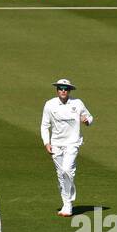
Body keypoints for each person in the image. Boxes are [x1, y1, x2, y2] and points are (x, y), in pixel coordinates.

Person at [40, 79, 94, 217]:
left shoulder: (77, 103)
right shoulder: (50, 105)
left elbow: (90, 117)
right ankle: (66, 203)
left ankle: (68, 204)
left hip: (72, 143)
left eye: (66, 88)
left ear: (69, 91)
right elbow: (45, 125)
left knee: (67, 170)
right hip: (56, 144)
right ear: (57, 90)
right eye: (60, 88)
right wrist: (47, 142)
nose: (63, 90)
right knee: (61, 175)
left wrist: (86, 121)